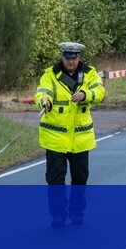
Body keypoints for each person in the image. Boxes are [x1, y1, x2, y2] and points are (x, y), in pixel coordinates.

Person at [36, 41, 105, 226]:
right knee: (55, 180)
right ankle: (58, 215)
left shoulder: (90, 73)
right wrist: (44, 101)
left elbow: (99, 92)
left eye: (74, 59)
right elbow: (43, 91)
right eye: (67, 58)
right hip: (55, 138)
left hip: (80, 139)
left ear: (79, 58)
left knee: (80, 179)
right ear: (62, 57)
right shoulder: (51, 73)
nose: (70, 63)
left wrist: (85, 95)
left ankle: (77, 213)